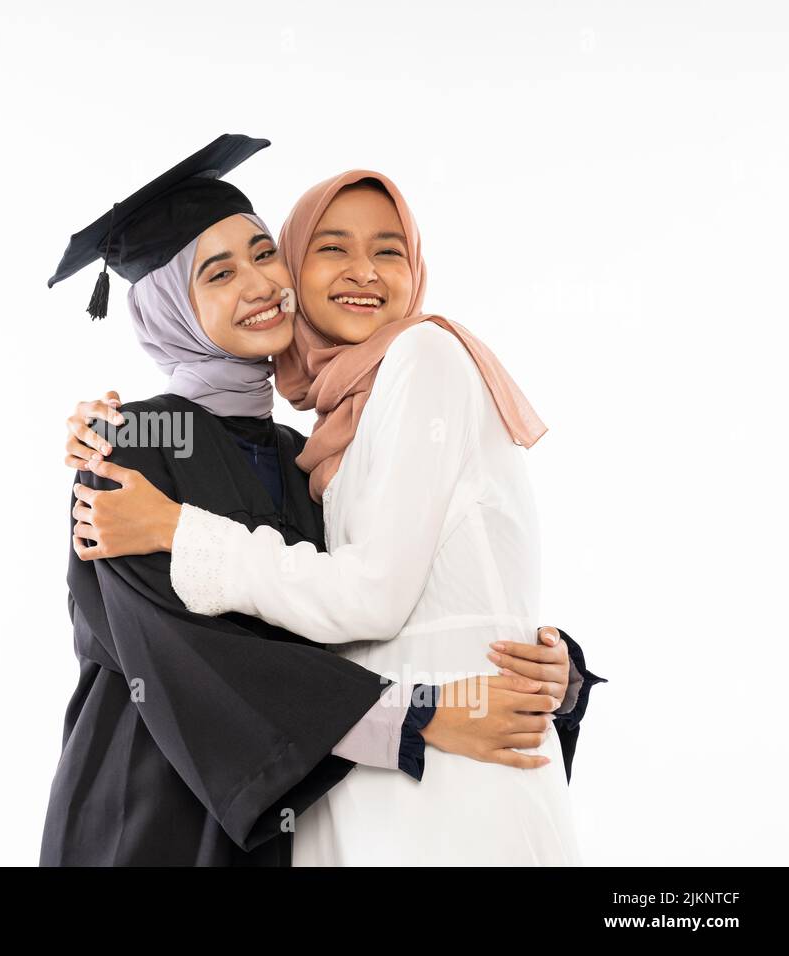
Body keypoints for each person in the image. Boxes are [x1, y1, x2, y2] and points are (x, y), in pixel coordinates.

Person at [42, 136, 578, 867]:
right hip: (152, 807)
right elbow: (199, 661)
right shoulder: (128, 448)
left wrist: (554, 665)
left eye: (265, 255)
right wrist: (415, 721)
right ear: (170, 310)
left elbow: (372, 603)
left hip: (290, 818)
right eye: (219, 273)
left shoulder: (308, 461)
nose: (260, 284)